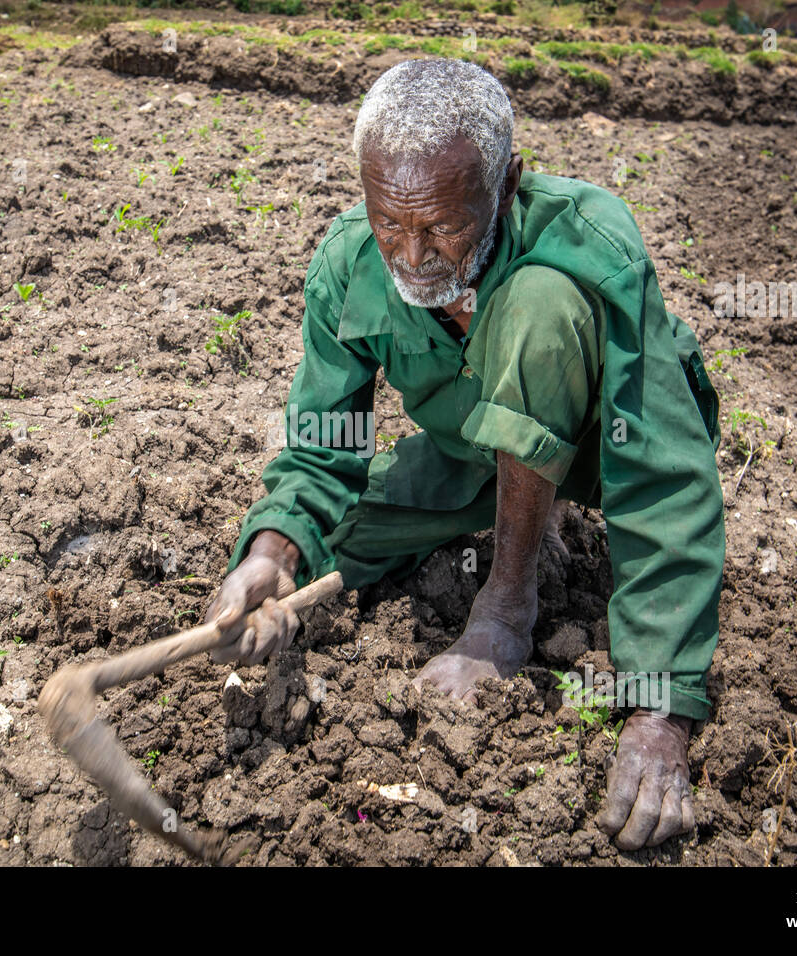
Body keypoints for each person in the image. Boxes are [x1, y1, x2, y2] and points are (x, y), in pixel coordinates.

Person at [204, 58, 725, 851]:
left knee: (540, 308)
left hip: (598, 450)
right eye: (390, 222)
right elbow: (323, 450)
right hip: (474, 450)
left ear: (506, 182)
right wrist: (274, 550)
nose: (413, 256)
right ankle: (514, 508)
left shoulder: (589, 243)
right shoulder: (349, 262)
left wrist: (660, 710)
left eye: (445, 225)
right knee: (328, 547)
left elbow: (662, 479)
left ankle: (509, 600)